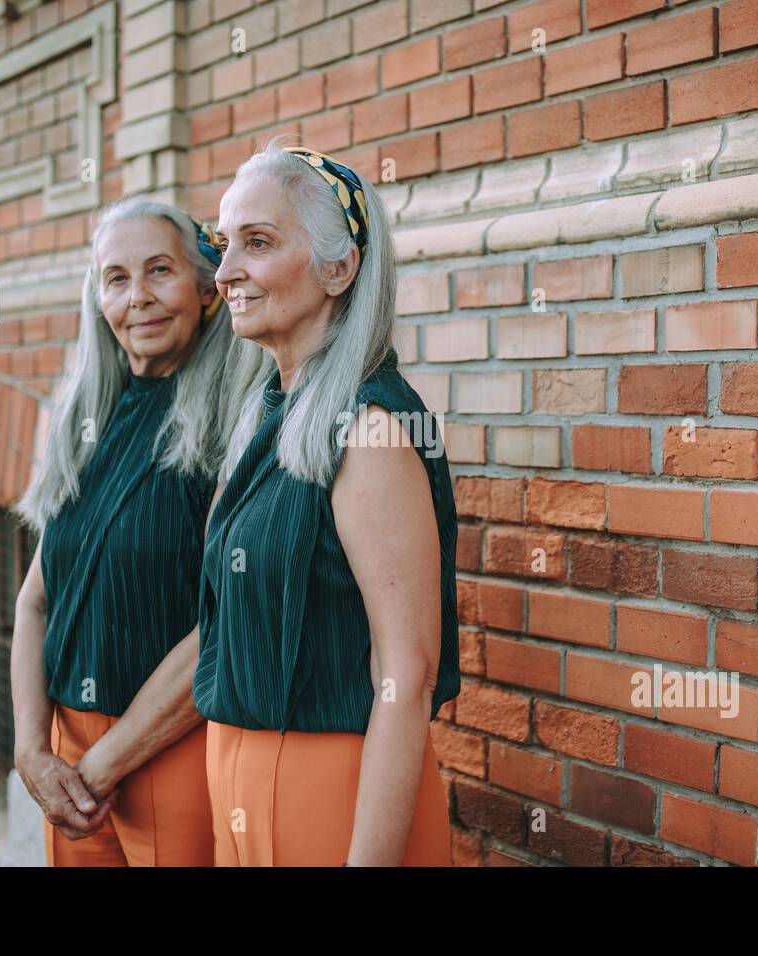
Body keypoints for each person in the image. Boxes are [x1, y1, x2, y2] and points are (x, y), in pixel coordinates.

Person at [195, 139, 461, 866]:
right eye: (224, 246)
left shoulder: (371, 428)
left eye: (258, 242)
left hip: (332, 798)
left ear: (340, 267)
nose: (226, 273)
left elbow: (407, 676)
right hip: (238, 779)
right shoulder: (268, 413)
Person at [10, 197, 250, 865]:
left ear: (206, 290)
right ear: (99, 299)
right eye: (117, 279)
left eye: (159, 272)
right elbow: (36, 600)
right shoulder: (85, 420)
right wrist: (32, 750)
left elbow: (223, 625)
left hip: (175, 749)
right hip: (68, 756)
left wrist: (106, 761)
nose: (138, 297)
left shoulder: (234, 425)